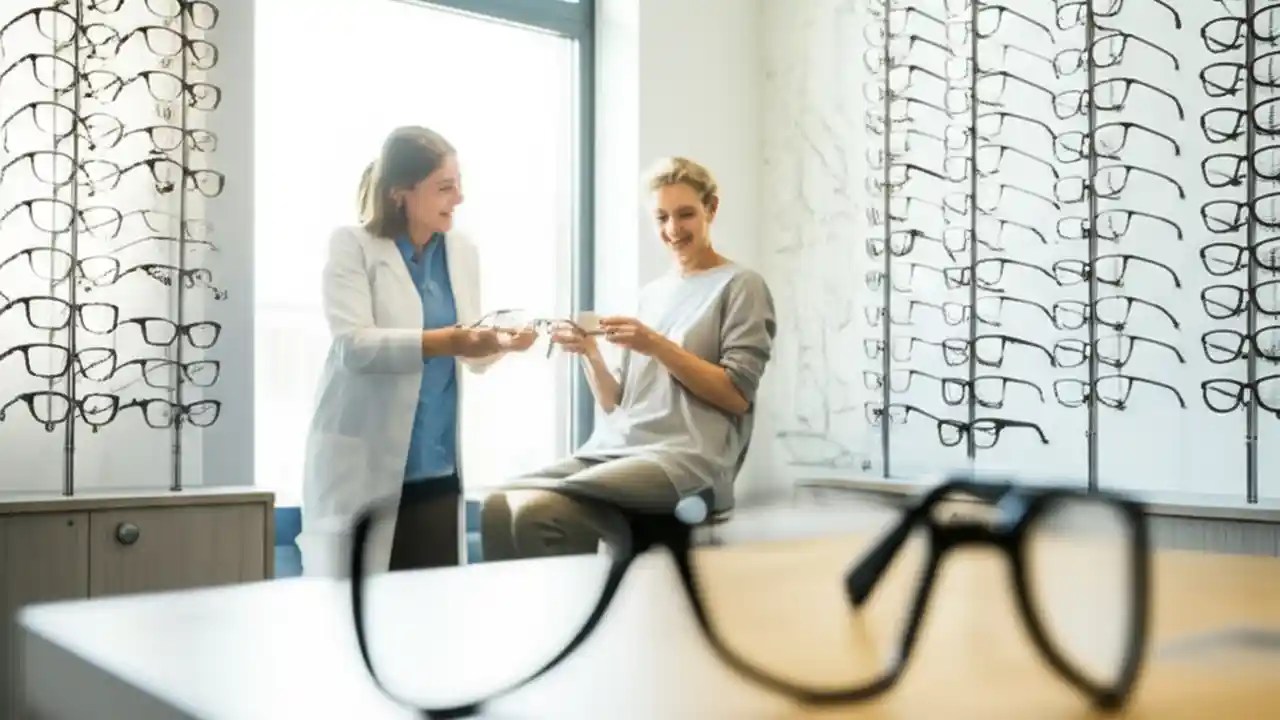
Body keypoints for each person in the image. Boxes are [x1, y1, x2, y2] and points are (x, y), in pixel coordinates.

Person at [480, 156, 777, 560]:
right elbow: (618, 405)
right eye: (661, 218)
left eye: (685, 214)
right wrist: (590, 353)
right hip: (621, 446)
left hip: (686, 459)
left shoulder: (741, 286)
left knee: (540, 511)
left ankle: (581, 618)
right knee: (499, 503)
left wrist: (656, 344)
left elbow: (736, 396)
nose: (673, 230)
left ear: (712, 208)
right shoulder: (653, 293)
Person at [297, 125, 535, 577]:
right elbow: (355, 346)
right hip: (365, 463)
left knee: (433, 612)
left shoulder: (461, 251)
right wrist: (449, 339)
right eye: (445, 187)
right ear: (399, 194)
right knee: (357, 613)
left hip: (437, 466)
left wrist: (503, 343)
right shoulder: (353, 246)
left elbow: (473, 354)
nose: (459, 198)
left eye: (459, 184)